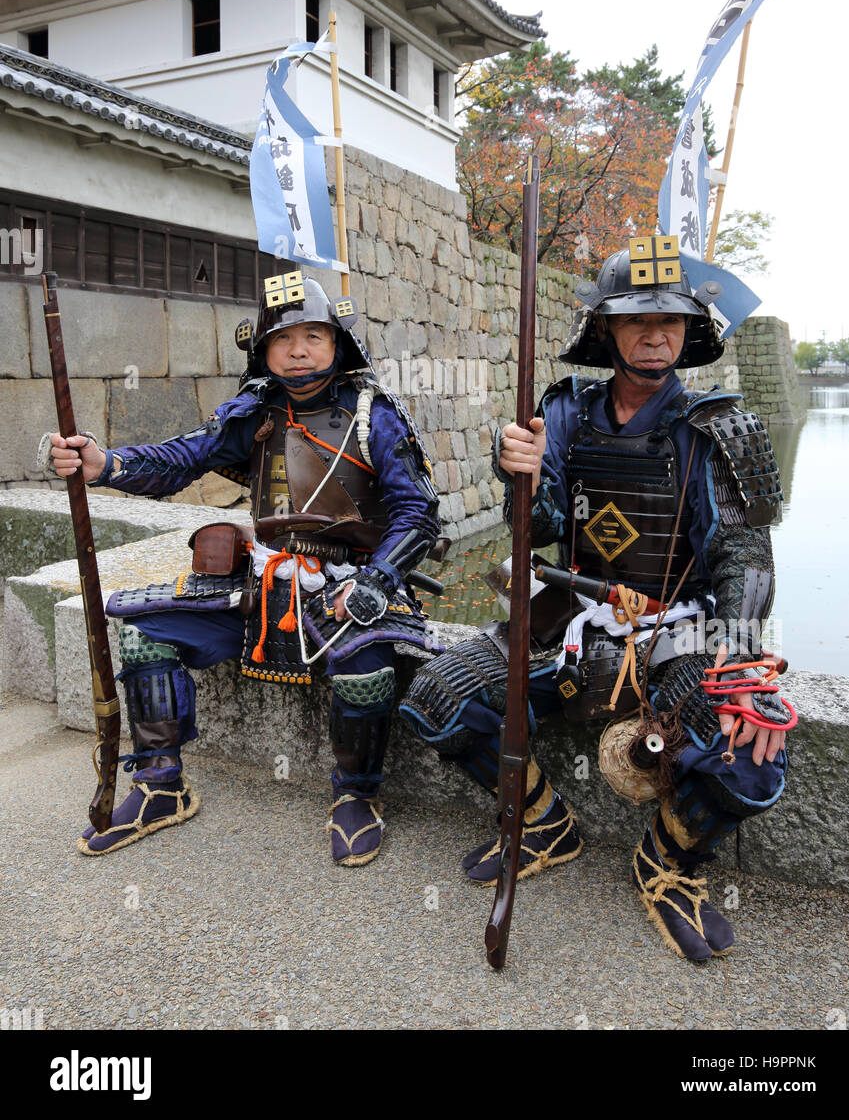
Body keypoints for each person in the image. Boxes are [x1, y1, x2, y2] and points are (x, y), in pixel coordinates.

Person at [401, 236, 791, 962]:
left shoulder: (719, 429)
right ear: (606, 330)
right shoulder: (566, 412)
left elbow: (745, 554)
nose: (655, 334)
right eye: (637, 320)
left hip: (678, 631)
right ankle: (545, 822)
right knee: (437, 700)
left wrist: (740, 661)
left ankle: (668, 861)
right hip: (575, 619)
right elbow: (540, 527)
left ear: (690, 330)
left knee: (749, 756)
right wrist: (518, 467)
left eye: (670, 320)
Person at [49, 275, 441, 865]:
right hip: (263, 585)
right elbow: (182, 458)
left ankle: (357, 796)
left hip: (350, 586)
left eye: (314, 335)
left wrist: (377, 583)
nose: (299, 349)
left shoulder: (373, 413)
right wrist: (106, 462)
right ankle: (161, 783)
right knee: (143, 633)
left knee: (366, 669)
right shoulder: (254, 411)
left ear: (338, 343)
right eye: (283, 338)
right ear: (262, 348)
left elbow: (419, 513)